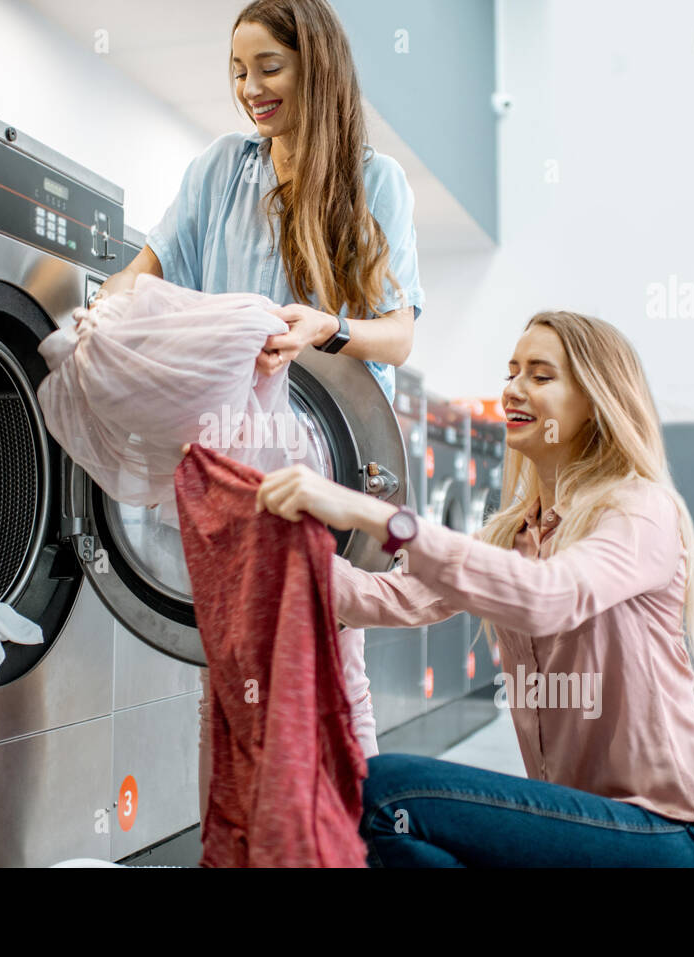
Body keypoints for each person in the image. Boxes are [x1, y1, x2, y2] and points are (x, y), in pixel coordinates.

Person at [254, 311, 694, 867]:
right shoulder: (514, 535)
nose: (514, 389)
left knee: (387, 793)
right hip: (584, 833)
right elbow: (390, 598)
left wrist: (375, 516)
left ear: (596, 402)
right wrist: (271, 544)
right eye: (511, 372)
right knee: (378, 822)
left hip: (687, 838)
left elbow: (547, 598)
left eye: (541, 375)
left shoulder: (638, 509)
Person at [93, 0, 425, 824]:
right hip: (229, 460)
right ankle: (242, 839)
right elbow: (145, 268)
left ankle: (350, 836)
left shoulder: (374, 181)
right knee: (231, 670)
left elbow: (399, 336)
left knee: (331, 666)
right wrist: (105, 309)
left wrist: (325, 327)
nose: (250, 88)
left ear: (316, 67)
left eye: (269, 67)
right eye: (239, 71)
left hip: (329, 463)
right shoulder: (221, 169)